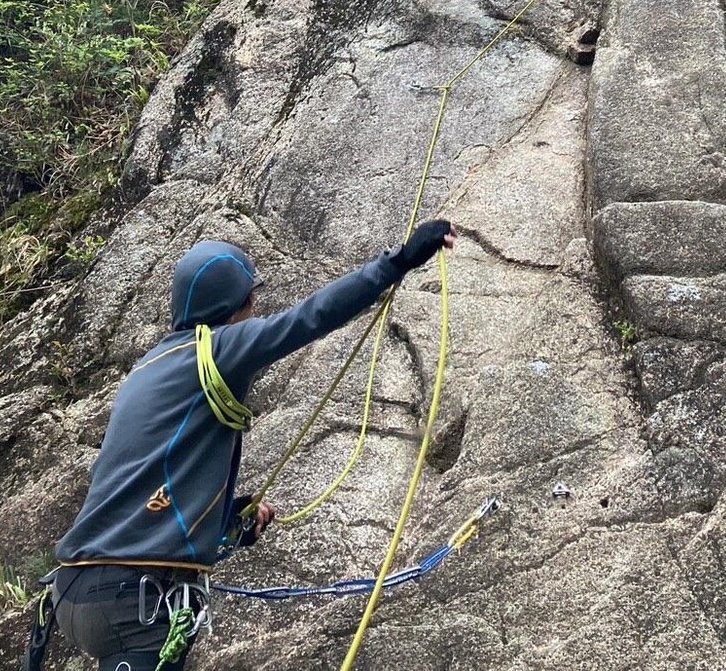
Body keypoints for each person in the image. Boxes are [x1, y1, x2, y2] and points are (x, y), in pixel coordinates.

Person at [38, 220, 456, 671]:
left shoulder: (150, 367)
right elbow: (308, 318)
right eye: (251, 301)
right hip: (131, 597)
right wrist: (402, 259)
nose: (255, 310)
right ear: (232, 306)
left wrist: (226, 519)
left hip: (79, 590)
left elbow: (144, 486)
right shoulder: (214, 350)